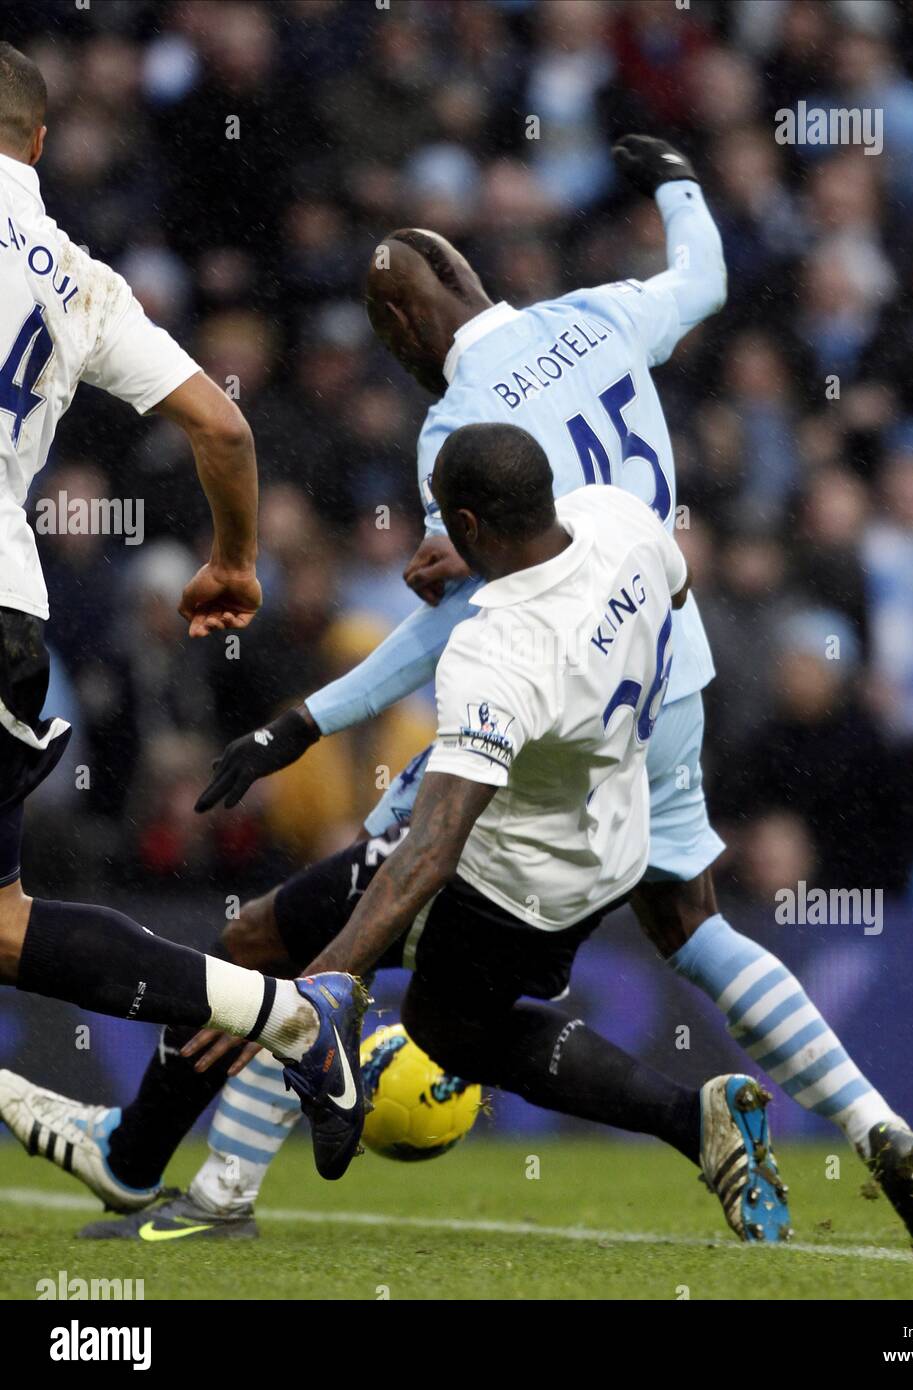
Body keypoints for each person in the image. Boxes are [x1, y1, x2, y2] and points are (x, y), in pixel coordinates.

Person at [8, 134, 913, 1245]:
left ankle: (209, 1179)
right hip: (664, 658)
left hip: (542, 702)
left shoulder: (451, 436)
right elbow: (705, 279)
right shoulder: (596, 323)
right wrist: (679, 181)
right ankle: (870, 1117)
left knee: (329, 916)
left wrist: (306, 717)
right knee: (694, 925)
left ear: (401, 331)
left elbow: (475, 626)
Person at [10, 424, 794, 1245]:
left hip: (503, 875)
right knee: (403, 1004)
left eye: (443, 528)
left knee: (294, 964)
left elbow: (432, 850)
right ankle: (692, 1119)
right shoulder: (620, 519)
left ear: (468, 524)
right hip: (604, 850)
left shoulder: (499, 649)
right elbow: (676, 587)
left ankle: (178, 1179)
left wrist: (321, 995)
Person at [0, 41, 366, 1180]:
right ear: (43, 144)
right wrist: (238, 561)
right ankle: (292, 1018)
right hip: (12, 614)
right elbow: (226, 428)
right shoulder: (75, 276)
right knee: (5, 924)